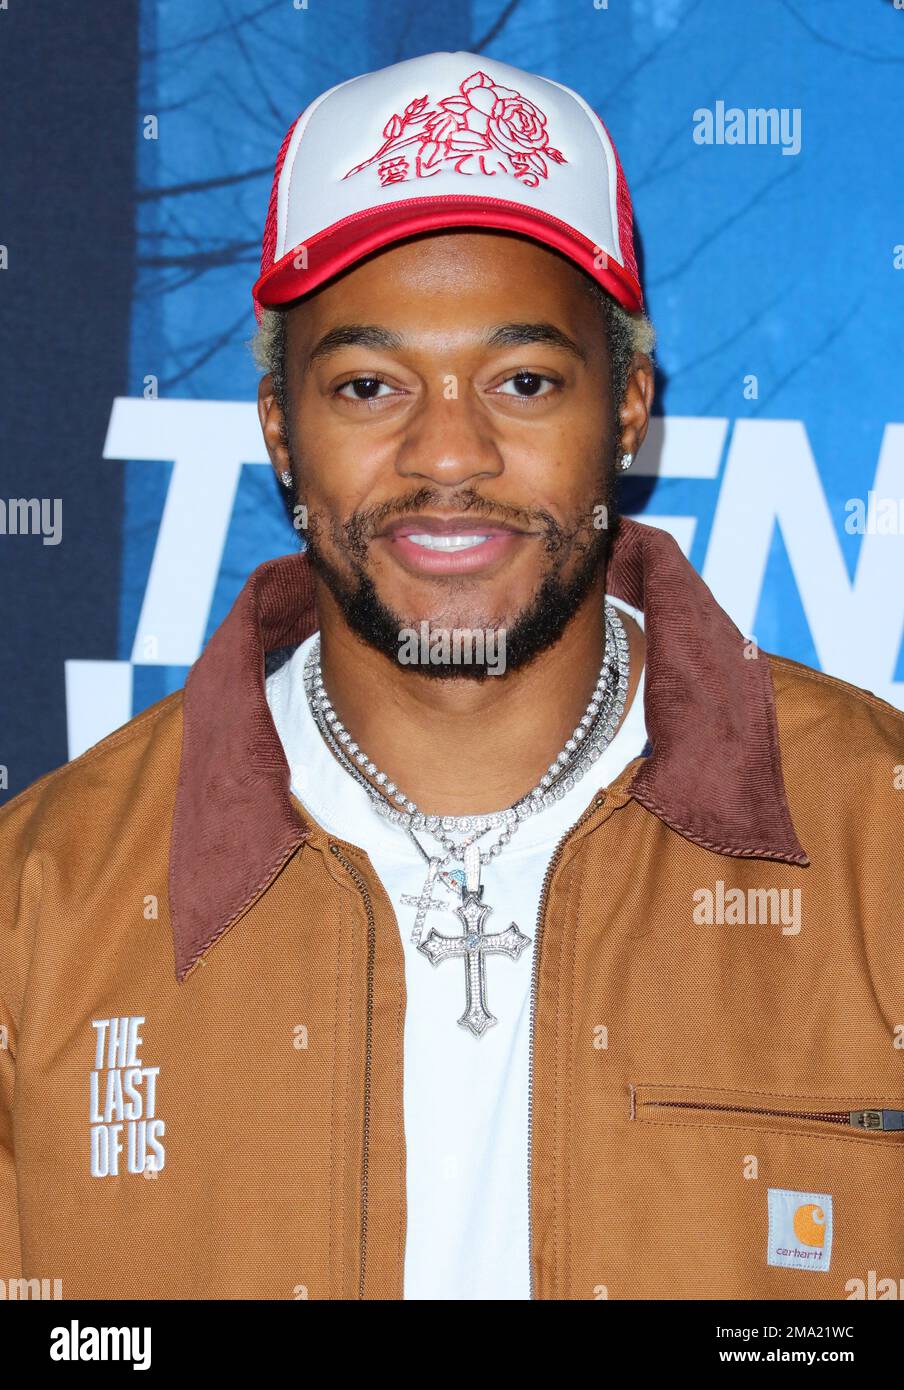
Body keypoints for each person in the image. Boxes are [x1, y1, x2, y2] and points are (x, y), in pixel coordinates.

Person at [0, 52, 900, 1302]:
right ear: (276, 426)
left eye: (522, 381)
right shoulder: (38, 903)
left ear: (630, 406)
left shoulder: (881, 847)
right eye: (370, 385)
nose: (448, 452)